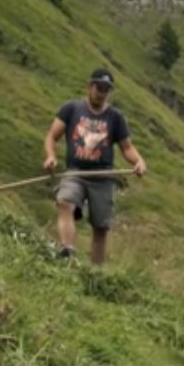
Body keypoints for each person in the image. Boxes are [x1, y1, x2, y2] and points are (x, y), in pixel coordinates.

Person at [43, 68, 147, 265]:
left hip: (103, 177)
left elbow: (127, 147)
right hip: (76, 172)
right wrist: (50, 156)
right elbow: (51, 135)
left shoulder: (115, 117)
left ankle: (95, 273)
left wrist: (138, 161)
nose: (101, 92)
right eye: (98, 87)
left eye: (106, 89)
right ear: (90, 87)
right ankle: (67, 252)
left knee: (100, 228)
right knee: (64, 201)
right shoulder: (71, 109)